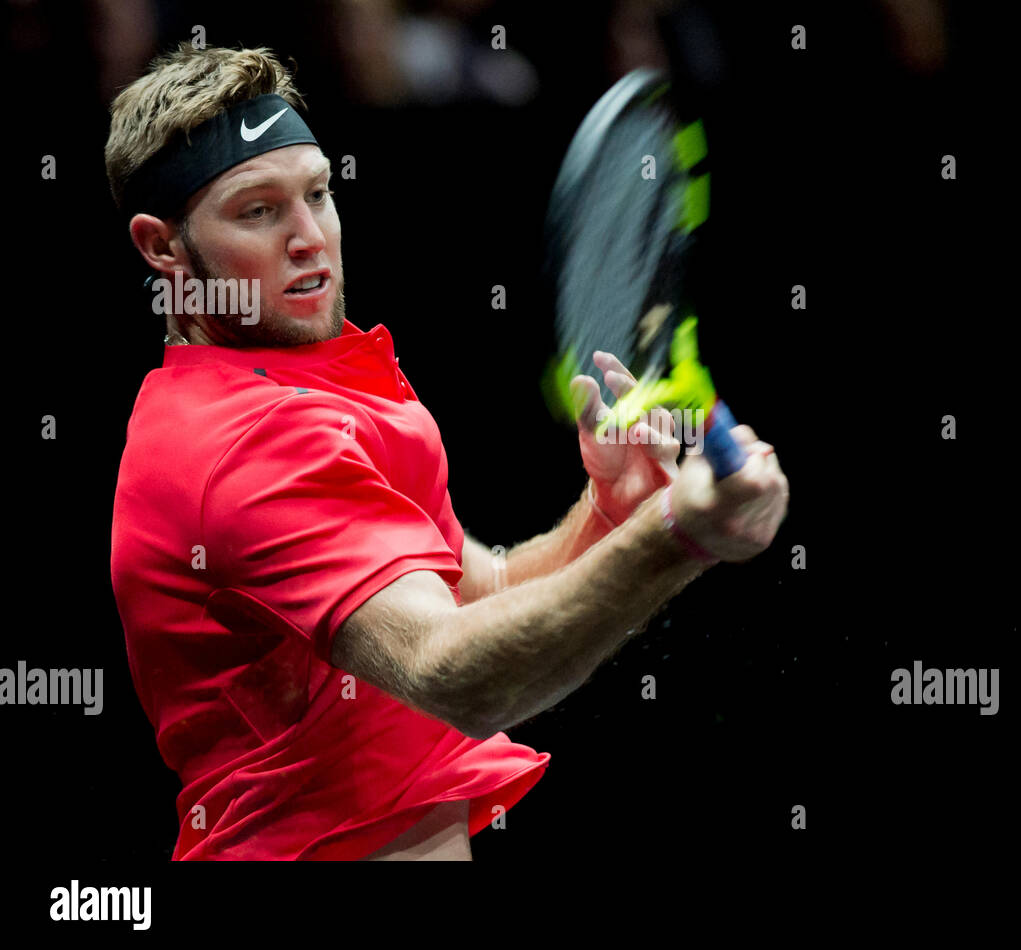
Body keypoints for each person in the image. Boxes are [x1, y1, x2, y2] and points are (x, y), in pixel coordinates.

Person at [107, 44, 789, 861]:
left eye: (318, 195)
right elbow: (452, 672)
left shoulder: (323, 388)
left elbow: (476, 595)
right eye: (258, 212)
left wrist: (609, 514)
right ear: (163, 249)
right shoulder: (245, 443)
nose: (308, 238)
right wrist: (677, 533)